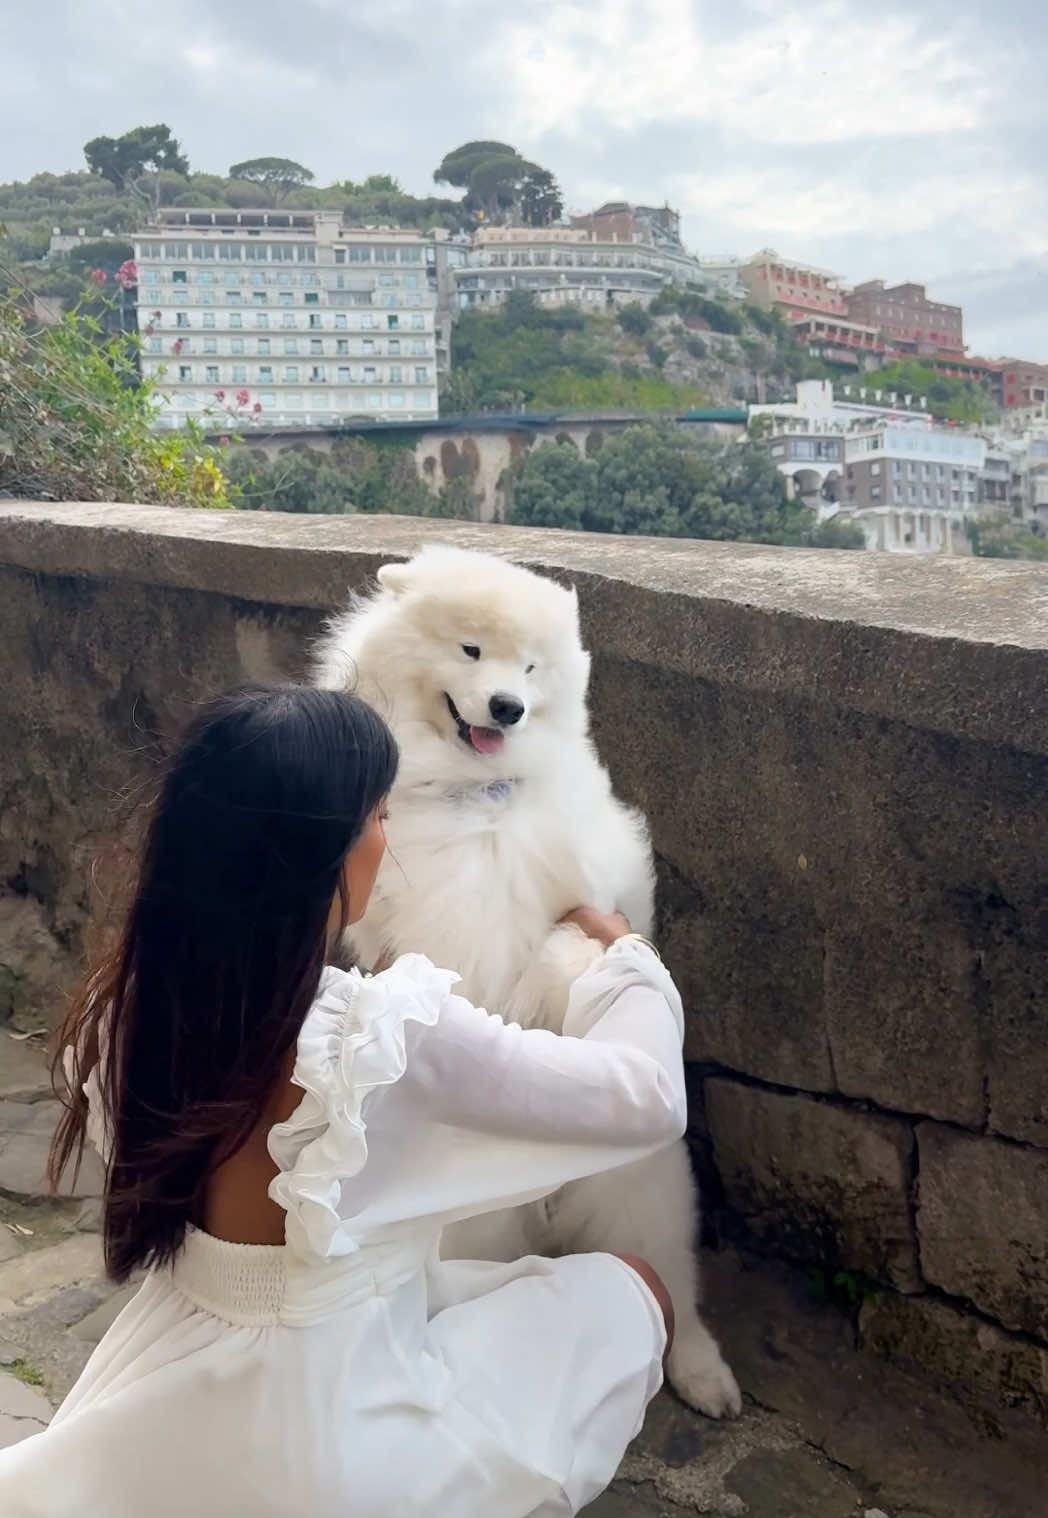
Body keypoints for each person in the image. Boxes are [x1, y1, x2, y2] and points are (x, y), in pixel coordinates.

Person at [0, 684, 691, 1517]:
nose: (386, 839)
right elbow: (646, 1098)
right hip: (335, 1441)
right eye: (378, 815)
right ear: (325, 852)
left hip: (180, 1365)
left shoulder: (123, 1006)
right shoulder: (372, 1040)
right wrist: (627, 961)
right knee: (632, 1287)